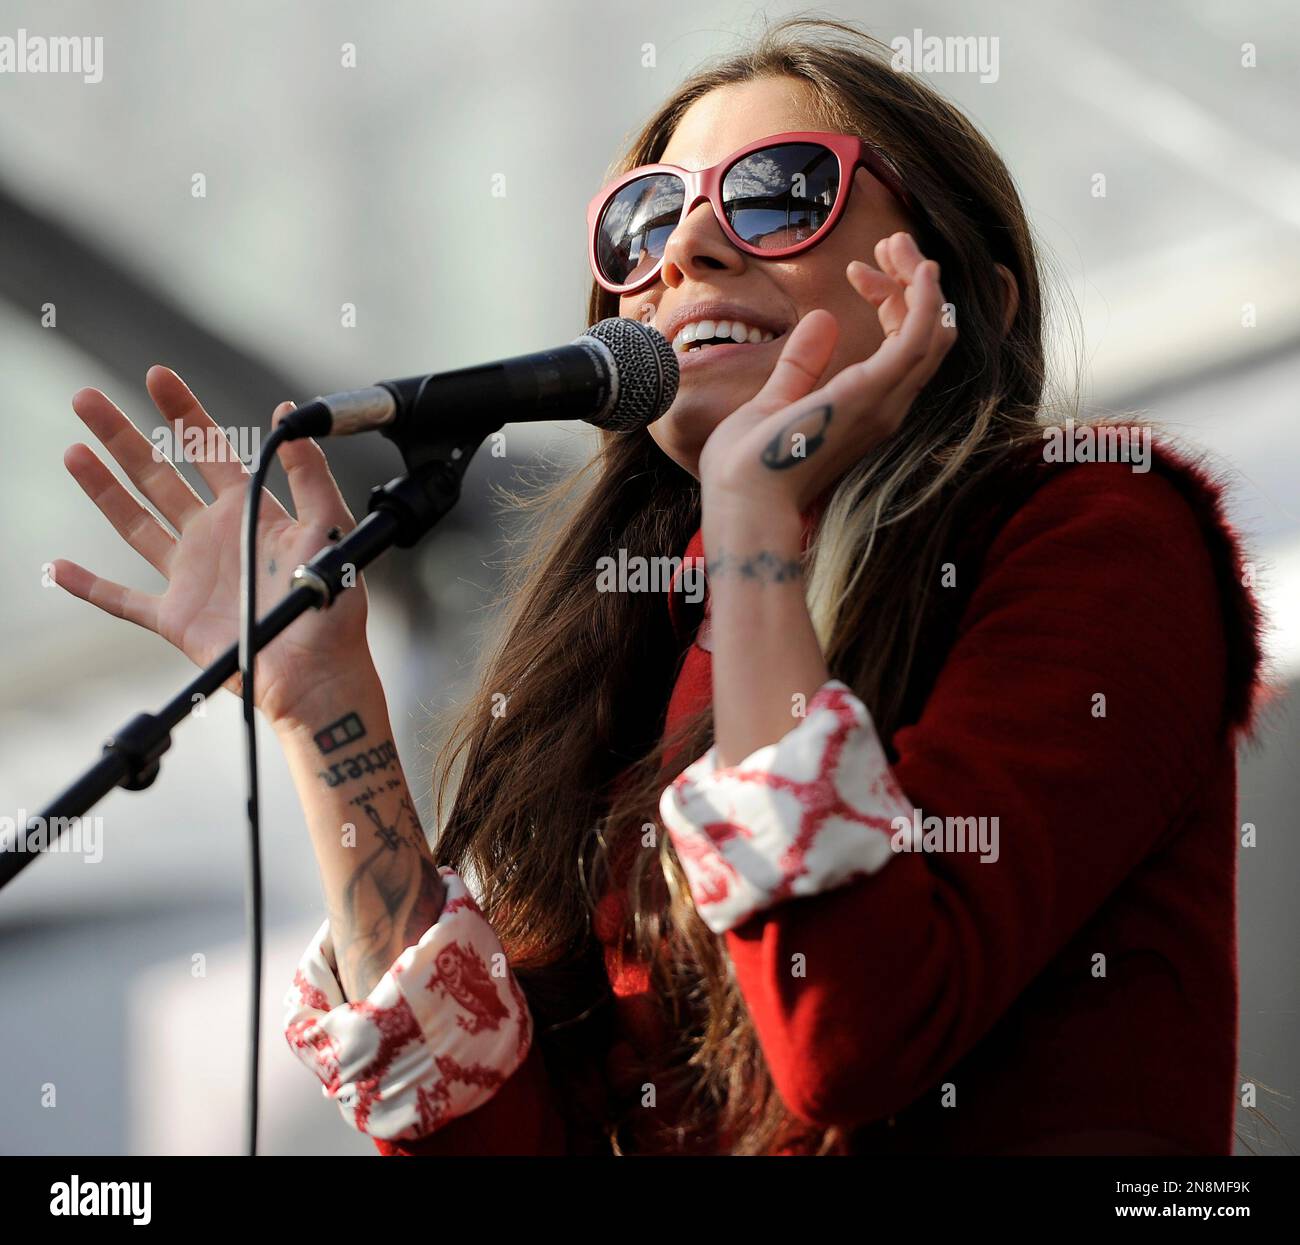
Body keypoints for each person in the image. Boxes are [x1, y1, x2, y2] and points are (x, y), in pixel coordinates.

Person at [53, 18, 1264, 1156]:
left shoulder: (1095, 531)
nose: (684, 249)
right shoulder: (636, 630)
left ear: (969, 302)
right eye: (642, 223)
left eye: (781, 193)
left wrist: (757, 512)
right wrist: (325, 709)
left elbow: (850, 1033)